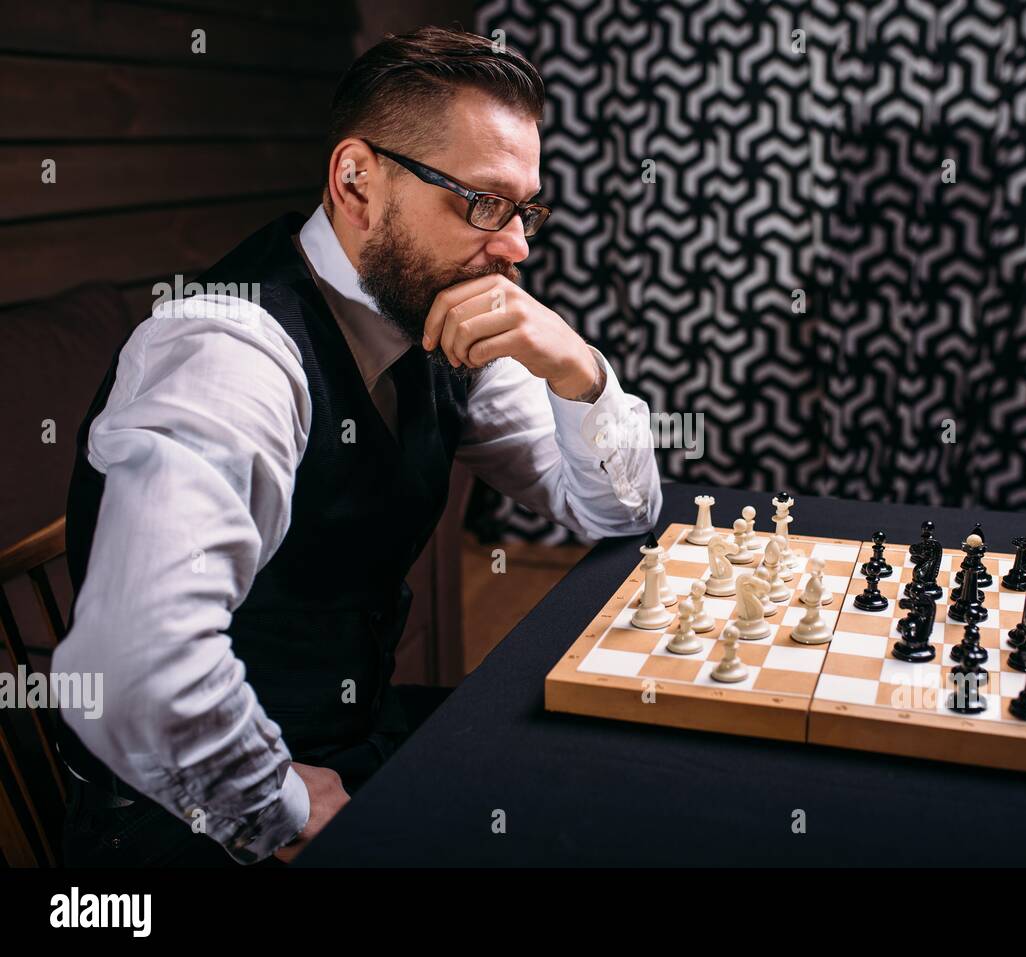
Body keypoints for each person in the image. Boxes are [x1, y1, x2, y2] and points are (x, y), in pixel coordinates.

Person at [52, 25, 662, 866]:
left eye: (525, 209)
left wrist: (580, 371)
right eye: (482, 201)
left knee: (619, 786)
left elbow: (616, 509)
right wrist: (285, 802)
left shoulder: (436, 315)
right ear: (356, 182)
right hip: (191, 818)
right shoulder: (231, 353)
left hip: (355, 737)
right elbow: (132, 666)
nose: (518, 244)